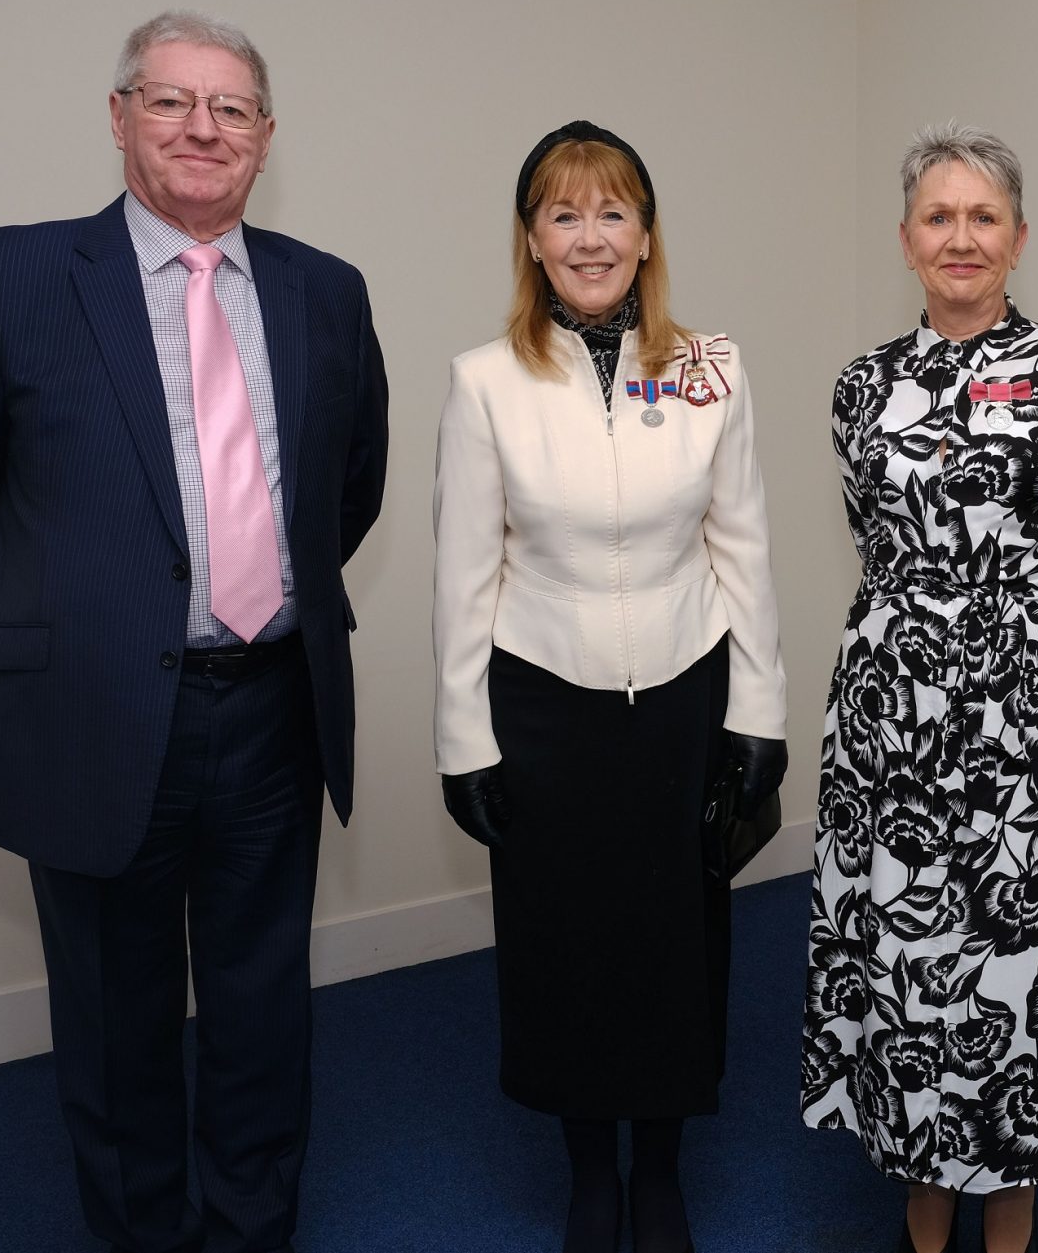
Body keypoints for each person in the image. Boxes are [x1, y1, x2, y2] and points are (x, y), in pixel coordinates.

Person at [0, 11, 389, 1253]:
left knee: (259, 1013)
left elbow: (349, 486)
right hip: (93, 717)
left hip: (274, 711)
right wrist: (59, 632)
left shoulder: (326, 292)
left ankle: (249, 1232)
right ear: (118, 115)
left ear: (266, 140)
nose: (200, 129)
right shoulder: (5, 277)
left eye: (230, 110)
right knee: (119, 1029)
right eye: (170, 100)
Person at [433, 120, 788, 1253]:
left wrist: (760, 719)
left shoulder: (707, 364)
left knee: (682, 940)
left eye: (612, 213)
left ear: (646, 234)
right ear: (531, 240)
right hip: (543, 702)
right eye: (564, 215)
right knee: (565, 946)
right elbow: (463, 573)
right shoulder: (484, 381)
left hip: (685, 696)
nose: (590, 237)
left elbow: (745, 550)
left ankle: (664, 1170)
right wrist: (463, 740)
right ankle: (591, 1171)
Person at [801, 124, 1038, 1253]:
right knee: (909, 950)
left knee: (1018, 963)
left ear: (1019, 238)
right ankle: (920, 1199)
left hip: (1030, 724)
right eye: (937, 217)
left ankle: (1012, 1209)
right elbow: (873, 542)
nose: (959, 237)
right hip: (892, 713)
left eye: (982, 216)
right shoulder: (861, 386)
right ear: (904, 240)